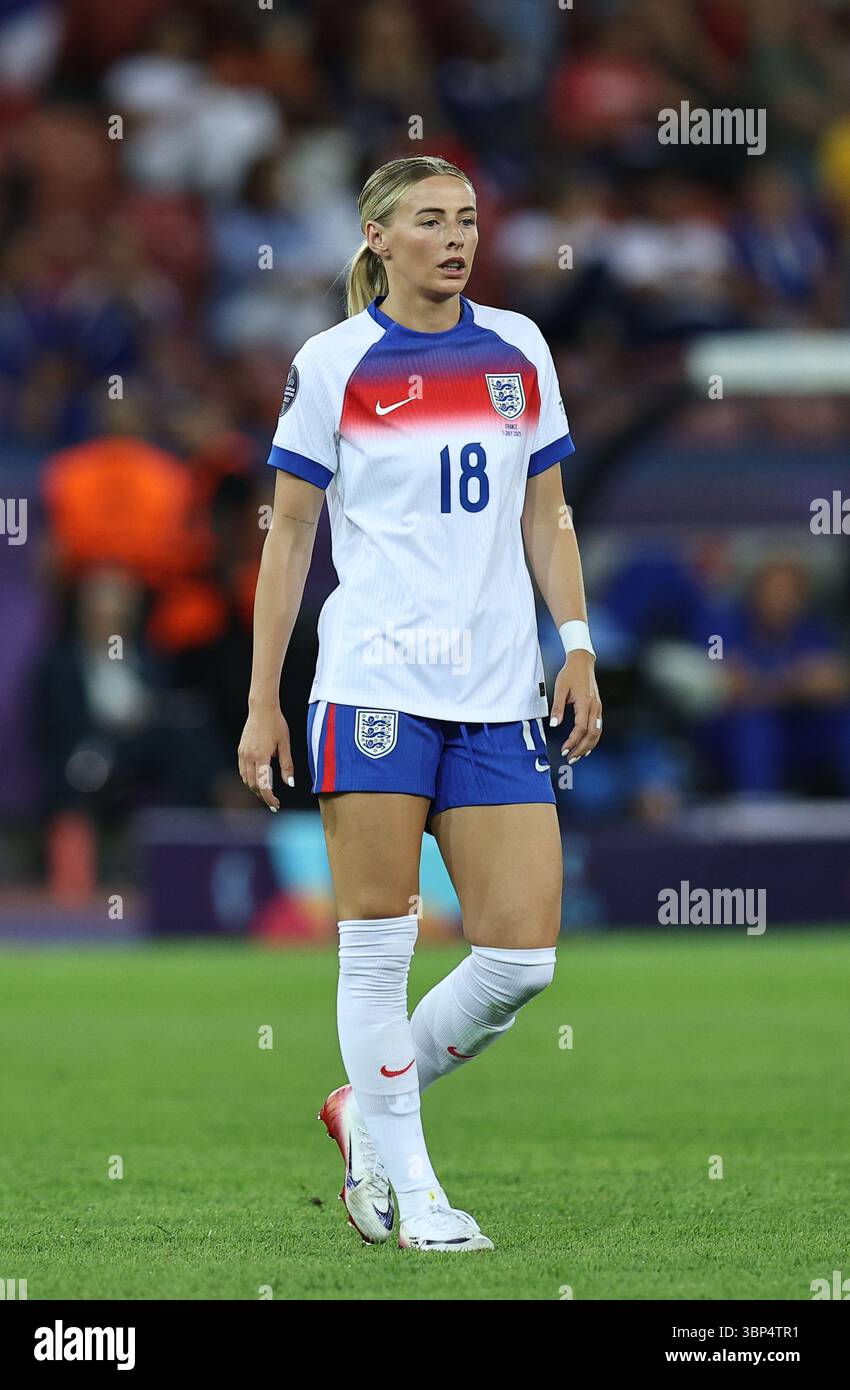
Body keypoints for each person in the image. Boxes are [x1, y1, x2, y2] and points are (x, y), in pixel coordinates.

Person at [238, 155, 602, 1253]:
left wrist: (573, 643)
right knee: (378, 948)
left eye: (468, 219)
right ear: (376, 239)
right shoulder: (333, 361)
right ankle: (414, 1191)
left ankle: (363, 1109)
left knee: (520, 959)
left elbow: (548, 515)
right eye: (430, 221)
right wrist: (265, 701)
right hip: (375, 683)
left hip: (494, 687)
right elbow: (290, 535)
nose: (454, 237)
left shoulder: (519, 348)